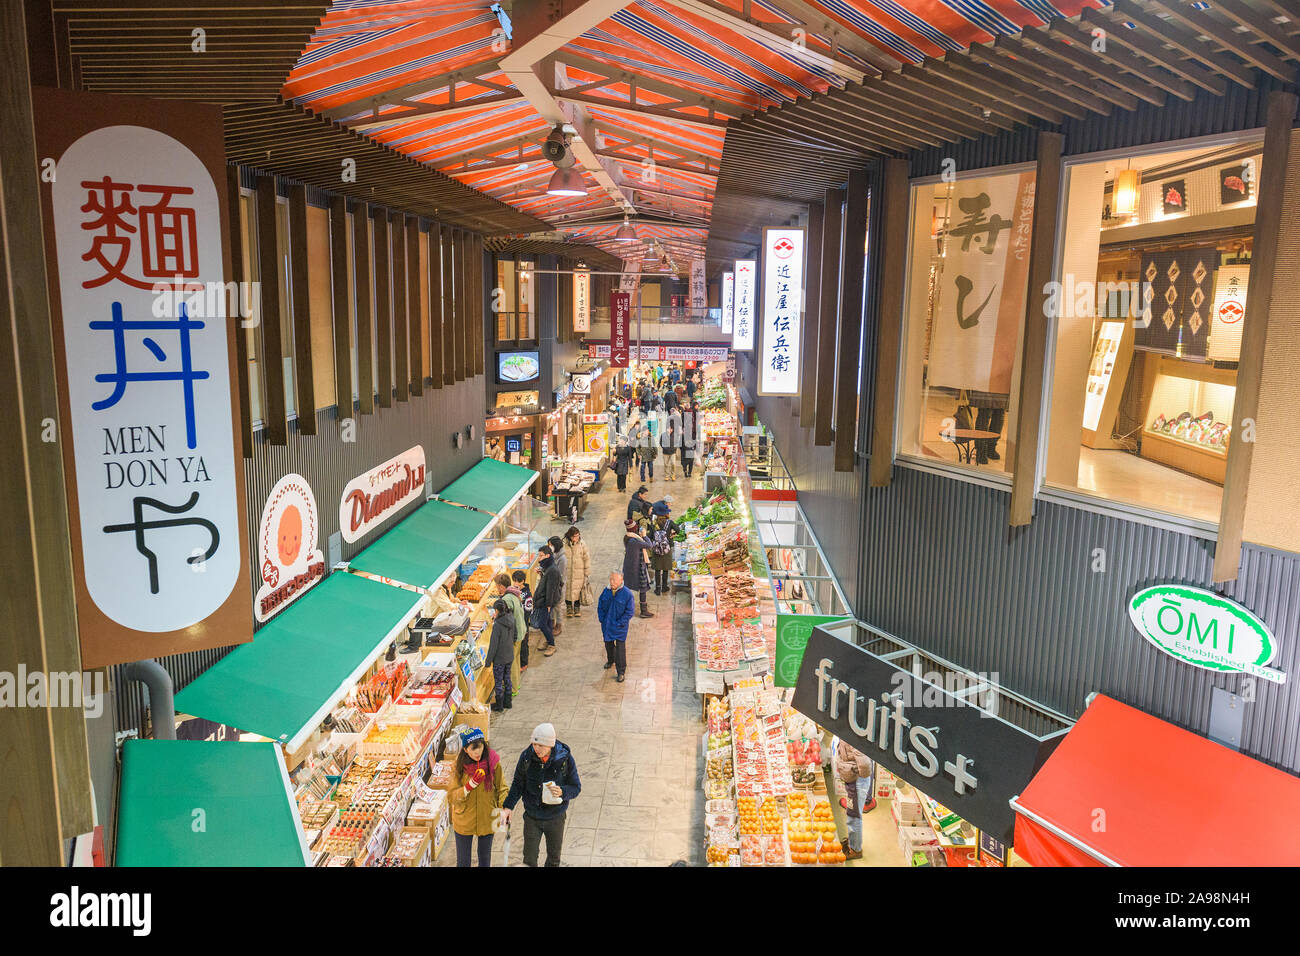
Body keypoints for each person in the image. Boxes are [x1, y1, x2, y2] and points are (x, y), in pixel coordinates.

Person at [500, 723, 581, 868]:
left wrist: (563, 791)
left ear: (551, 745)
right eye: (534, 744)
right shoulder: (526, 758)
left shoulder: (565, 759)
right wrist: (508, 807)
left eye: (541, 745)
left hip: (556, 818)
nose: (536, 749)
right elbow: (518, 784)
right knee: (529, 859)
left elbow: (576, 787)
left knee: (554, 859)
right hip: (532, 817)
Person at [450, 728, 508, 867]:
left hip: (487, 816)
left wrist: (504, 808)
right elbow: (452, 796)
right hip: (464, 818)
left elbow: (502, 788)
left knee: (485, 859)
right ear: (465, 749)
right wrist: (468, 787)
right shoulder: (458, 766)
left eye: (480, 746)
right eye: (473, 748)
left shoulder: (494, 762)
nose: (477, 752)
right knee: (463, 862)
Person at [835, 737, 876, 861]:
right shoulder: (849, 730)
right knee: (852, 812)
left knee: (854, 816)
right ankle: (853, 840)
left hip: (857, 780)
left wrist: (858, 776)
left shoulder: (854, 735)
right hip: (854, 778)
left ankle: (855, 849)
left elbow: (864, 764)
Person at [597, 571, 635, 682]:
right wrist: (602, 619)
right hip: (607, 625)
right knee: (608, 644)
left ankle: (621, 671)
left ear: (621, 580)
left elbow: (630, 612)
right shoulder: (606, 591)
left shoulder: (627, 594)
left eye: (614, 580)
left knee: (620, 650)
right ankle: (610, 660)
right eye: (611, 579)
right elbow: (600, 606)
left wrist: (620, 623)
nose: (611, 582)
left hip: (620, 627)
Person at [495, 572, 527, 691]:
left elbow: (505, 619)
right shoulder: (514, 594)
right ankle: (516, 683)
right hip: (521, 631)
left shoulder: (507, 599)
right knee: (516, 659)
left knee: (511, 662)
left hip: (514, 635)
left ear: (501, 586)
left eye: (497, 586)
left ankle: (513, 689)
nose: (496, 588)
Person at [485, 598, 516, 712]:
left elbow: (493, 646)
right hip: (509, 655)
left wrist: (488, 661)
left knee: (498, 681)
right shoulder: (511, 618)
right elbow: (515, 635)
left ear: (497, 610)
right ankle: (508, 702)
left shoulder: (497, 625)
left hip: (499, 658)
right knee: (507, 678)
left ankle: (499, 705)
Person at [534, 548, 563, 657]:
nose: (539, 558)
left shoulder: (552, 570)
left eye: (541, 555)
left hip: (546, 601)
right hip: (544, 600)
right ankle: (548, 639)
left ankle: (552, 644)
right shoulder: (548, 568)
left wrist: (548, 605)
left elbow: (551, 589)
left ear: (547, 556)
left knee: (542, 624)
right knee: (547, 622)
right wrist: (542, 573)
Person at [623, 519, 654, 618]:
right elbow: (649, 545)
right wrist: (644, 536)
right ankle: (643, 611)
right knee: (642, 588)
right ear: (634, 529)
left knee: (629, 588)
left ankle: (627, 608)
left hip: (632, 566)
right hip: (637, 567)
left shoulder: (629, 538)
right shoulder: (634, 541)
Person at [563, 526, 591, 619]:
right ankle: (569, 607)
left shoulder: (582, 544)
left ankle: (577, 607)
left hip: (579, 572)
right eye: (575, 536)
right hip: (568, 572)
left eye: (578, 536)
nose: (576, 538)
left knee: (578, 590)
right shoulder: (564, 544)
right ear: (570, 536)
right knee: (568, 590)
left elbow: (586, 558)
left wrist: (587, 571)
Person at [511, 570, 533, 673]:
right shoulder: (514, 590)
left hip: (523, 623)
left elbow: (528, 611)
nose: (515, 584)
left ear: (523, 581)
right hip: (515, 622)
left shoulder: (527, 594)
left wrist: (523, 624)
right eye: (514, 581)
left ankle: (524, 663)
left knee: (524, 643)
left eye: (517, 581)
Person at [649, 514, 674, 596]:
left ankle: (657, 589)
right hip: (667, 549)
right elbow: (678, 529)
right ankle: (664, 587)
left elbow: (650, 536)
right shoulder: (669, 523)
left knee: (657, 569)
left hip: (656, 550)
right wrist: (671, 535)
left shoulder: (653, 524)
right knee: (665, 569)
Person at [548, 535, 567, 633]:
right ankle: (552, 624)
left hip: (558, 587)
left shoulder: (562, 559)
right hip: (552, 585)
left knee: (558, 607)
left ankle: (559, 625)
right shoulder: (554, 554)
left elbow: (560, 575)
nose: (549, 546)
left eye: (550, 545)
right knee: (552, 606)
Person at [660, 410, 678, 480]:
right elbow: (661, 442)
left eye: (670, 429)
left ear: (672, 430)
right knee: (666, 464)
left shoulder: (675, 435)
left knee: (673, 464)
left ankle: (673, 475)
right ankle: (667, 476)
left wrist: (674, 448)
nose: (669, 430)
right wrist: (664, 448)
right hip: (665, 452)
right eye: (668, 428)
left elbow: (677, 442)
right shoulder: (663, 435)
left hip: (672, 452)